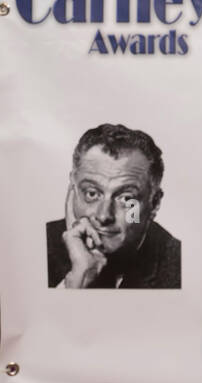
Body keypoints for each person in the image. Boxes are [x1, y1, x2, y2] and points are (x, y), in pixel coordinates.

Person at [47, 123, 180, 288]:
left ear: (154, 204)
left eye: (126, 198)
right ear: (73, 190)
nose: (103, 216)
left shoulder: (178, 267)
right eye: (92, 193)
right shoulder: (40, 246)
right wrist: (78, 281)